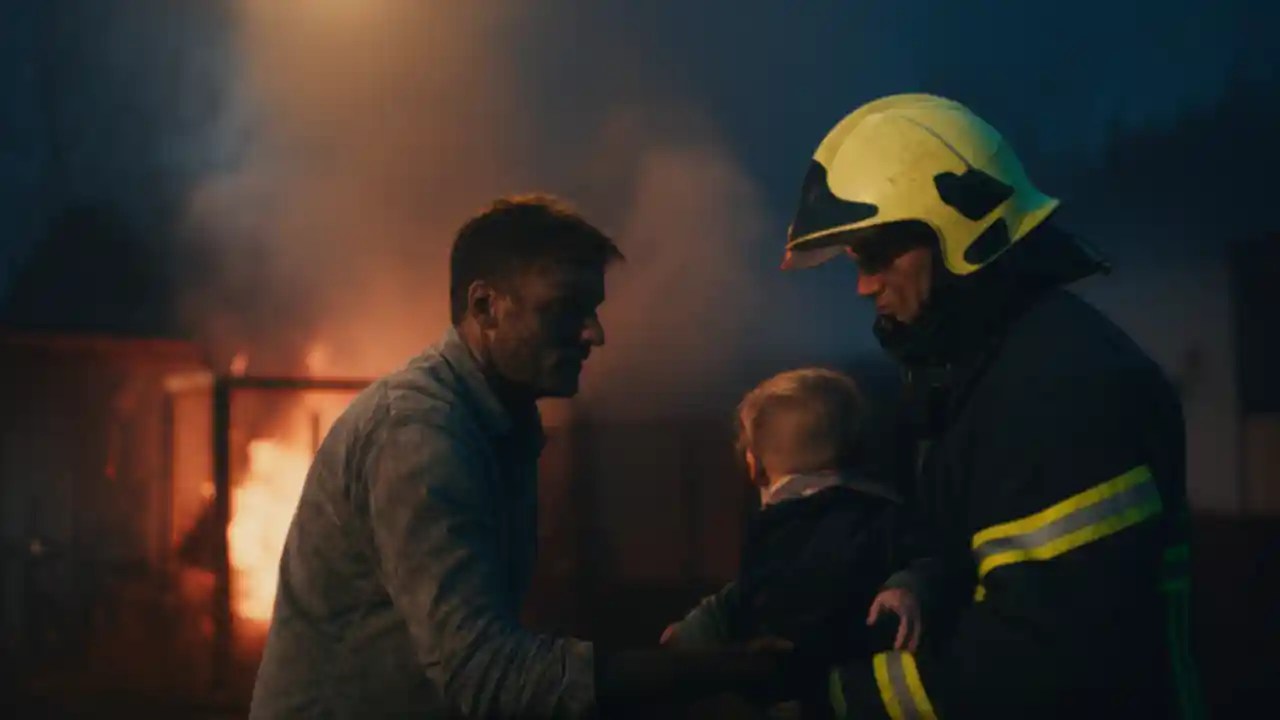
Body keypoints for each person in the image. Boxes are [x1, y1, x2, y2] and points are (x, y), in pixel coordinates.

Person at [249, 195, 792, 719]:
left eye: (593, 310)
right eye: (565, 309)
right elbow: (485, 674)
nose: (594, 334)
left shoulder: (492, 424)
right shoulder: (418, 435)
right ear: (485, 307)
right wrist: (718, 671)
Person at [778, 94, 1204, 718]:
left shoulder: (1062, 388)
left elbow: (1046, 657)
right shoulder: (987, 374)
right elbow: (970, 564)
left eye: (875, 255)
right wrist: (912, 582)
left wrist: (838, 699)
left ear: (958, 233)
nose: (865, 286)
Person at [660, 367, 930, 717]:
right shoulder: (885, 513)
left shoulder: (776, 528)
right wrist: (906, 587)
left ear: (754, 466)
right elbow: (927, 559)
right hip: (847, 687)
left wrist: (694, 633)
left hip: (810, 686)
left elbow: (746, 595)